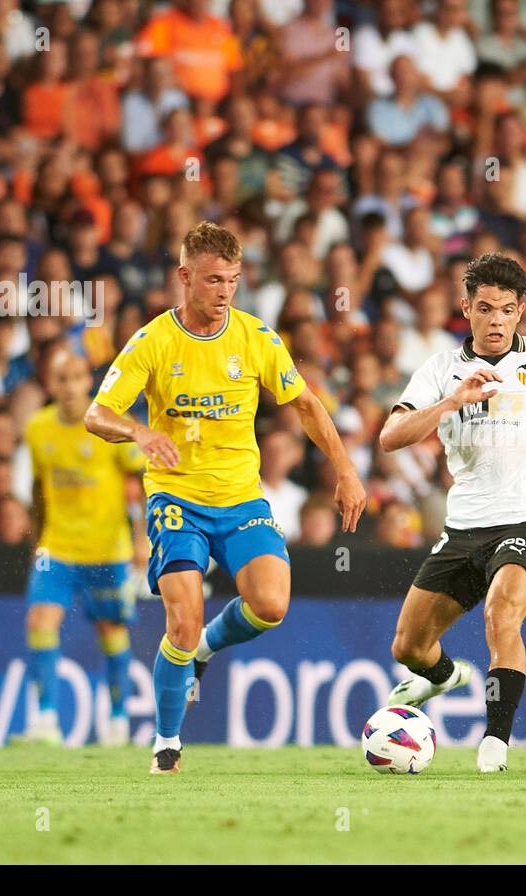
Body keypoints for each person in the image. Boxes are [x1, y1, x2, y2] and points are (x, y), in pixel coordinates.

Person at [84, 221, 365, 774]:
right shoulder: (153, 341)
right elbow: (97, 414)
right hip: (176, 499)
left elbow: (306, 405)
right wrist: (140, 432)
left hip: (241, 500)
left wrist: (346, 470)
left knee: (271, 605)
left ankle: (208, 649)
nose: (224, 292)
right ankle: (167, 743)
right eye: (213, 280)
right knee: (180, 621)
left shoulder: (256, 339)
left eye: (233, 281)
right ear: (185, 277)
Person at [378, 253, 526, 773]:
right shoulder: (441, 369)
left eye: (507, 310)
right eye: (484, 309)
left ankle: (495, 742)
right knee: (409, 647)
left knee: (501, 613)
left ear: (521, 310)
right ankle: (443, 676)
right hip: (464, 525)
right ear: (465, 308)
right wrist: (449, 404)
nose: (496, 321)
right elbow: (390, 437)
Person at [20, 350, 144, 746]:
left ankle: (120, 718)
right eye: (61, 379)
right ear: (50, 385)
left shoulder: (107, 426)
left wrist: (143, 537)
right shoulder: (38, 429)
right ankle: (46, 719)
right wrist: (37, 536)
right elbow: (38, 488)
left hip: (108, 549)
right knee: (40, 621)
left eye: (76, 377)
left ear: (87, 382)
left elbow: (139, 481)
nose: (70, 387)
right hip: (57, 547)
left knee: (111, 632)